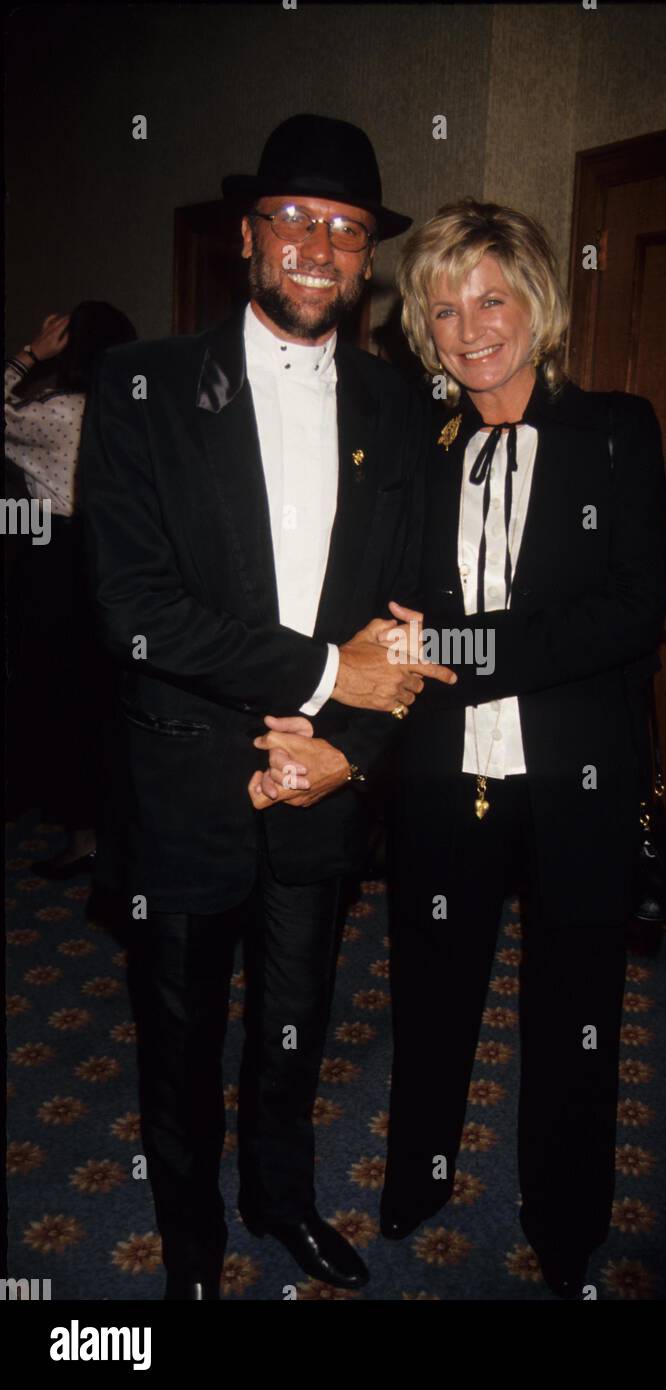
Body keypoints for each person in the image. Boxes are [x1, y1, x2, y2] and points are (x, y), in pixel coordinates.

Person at [251, 197, 666, 1298]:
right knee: (433, 992)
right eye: (445, 309)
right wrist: (342, 701)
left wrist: (460, 643)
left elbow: (625, 615)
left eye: (492, 299)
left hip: (578, 778)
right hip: (446, 776)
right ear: (426, 332)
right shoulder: (426, 446)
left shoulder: (617, 429)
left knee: (576, 1009)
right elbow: (390, 608)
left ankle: (566, 1212)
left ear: (538, 305)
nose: (470, 327)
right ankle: (419, 1175)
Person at [79, 114, 454, 1301]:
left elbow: (418, 609)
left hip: (322, 787)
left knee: (296, 1020)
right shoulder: (139, 384)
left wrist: (346, 747)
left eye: (346, 229)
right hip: (186, 783)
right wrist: (327, 676)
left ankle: (280, 1199)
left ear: (367, 260)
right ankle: (189, 1249)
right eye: (293, 217)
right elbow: (132, 607)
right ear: (250, 235)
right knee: (181, 1039)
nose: (318, 245)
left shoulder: (397, 406)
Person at [5, 303, 136, 873]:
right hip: (108, 556)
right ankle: (115, 828)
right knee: (104, 698)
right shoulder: (127, 406)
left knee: (63, 697)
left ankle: (86, 836)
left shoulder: (59, 410)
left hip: (56, 557)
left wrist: (30, 354)